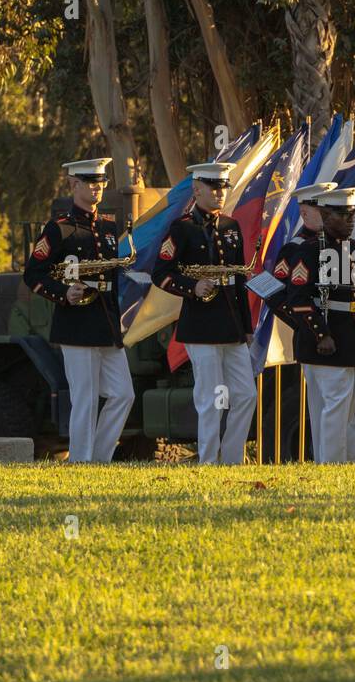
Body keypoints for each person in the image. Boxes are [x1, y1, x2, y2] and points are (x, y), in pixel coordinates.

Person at [23, 158, 135, 462]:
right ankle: (82, 460)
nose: (97, 188)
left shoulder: (108, 226)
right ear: (74, 185)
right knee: (85, 398)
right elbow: (33, 274)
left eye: (101, 182)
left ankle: (99, 456)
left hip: (107, 322)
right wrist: (63, 293)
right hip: (76, 321)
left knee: (124, 393)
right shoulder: (59, 228)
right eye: (90, 182)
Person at [151, 161, 256, 465]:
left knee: (246, 395)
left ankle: (232, 458)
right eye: (213, 187)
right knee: (210, 398)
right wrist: (191, 287)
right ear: (197, 189)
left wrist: (246, 327)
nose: (219, 192)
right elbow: (161, 272)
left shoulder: (230, 226)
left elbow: (238, 281)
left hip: (232, 326)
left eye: (223, 187)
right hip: (200, 325)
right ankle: (209, 460)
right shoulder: (182, 228)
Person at [285, 186, 355, 463]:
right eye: (344, 214)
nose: (351, 219)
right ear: (326, 215)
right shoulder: (307, 251)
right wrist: (320, 335)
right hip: (328, 334)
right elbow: (298, 299)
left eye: (353, 213)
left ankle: (354, 456)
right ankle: (332, 464)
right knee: (337, 403)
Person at [245, 181, 336, 457]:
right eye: (321, 209)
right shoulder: (294, 249)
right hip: (311, 334)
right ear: (306, 213)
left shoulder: (338, 245)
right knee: (322, 403)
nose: (329, 213)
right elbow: (276, 294)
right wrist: (305, 324)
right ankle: (325, 458)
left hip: (344, 330)